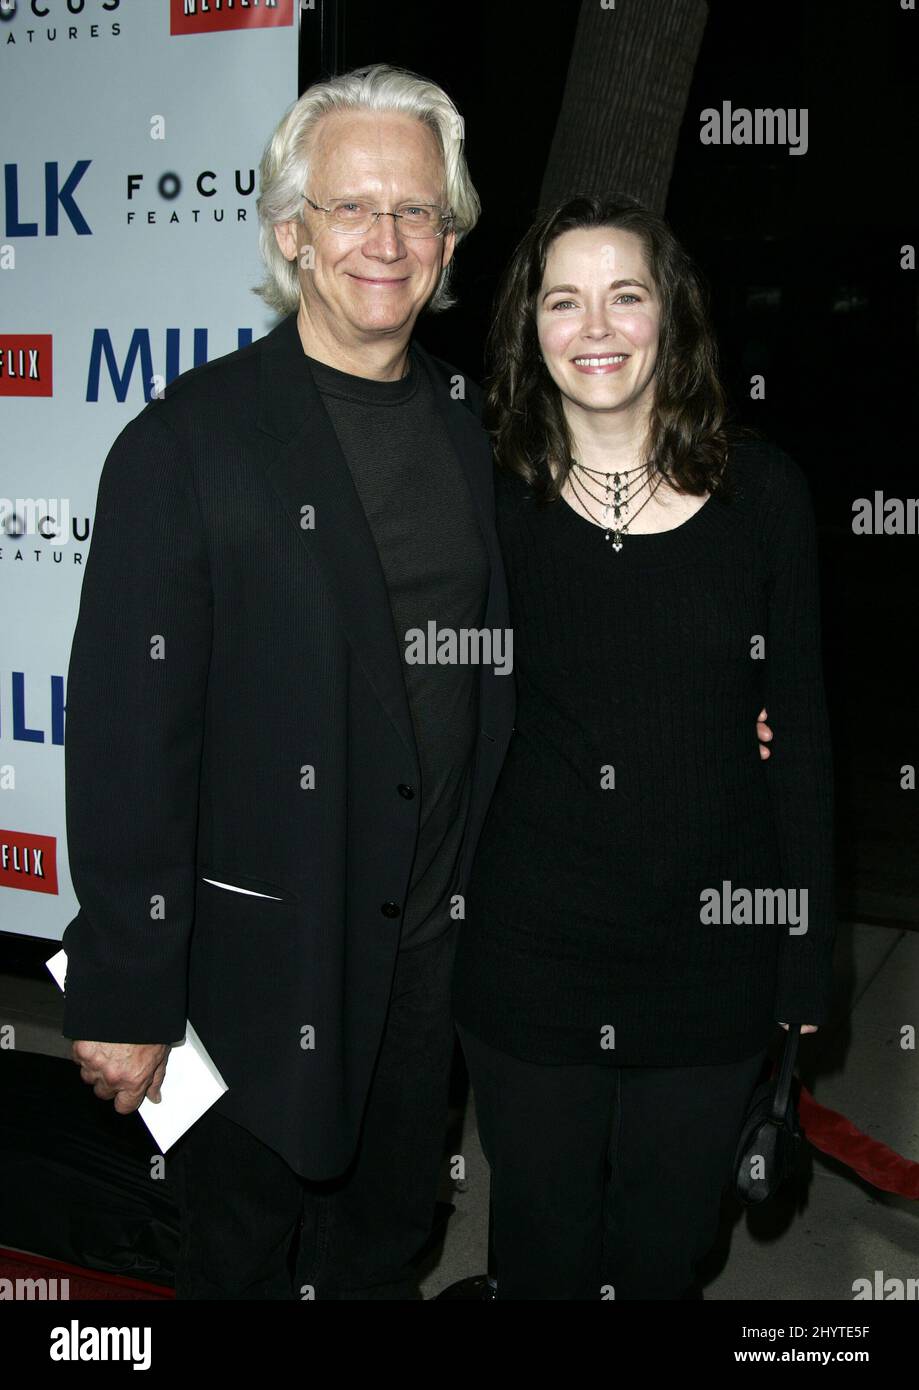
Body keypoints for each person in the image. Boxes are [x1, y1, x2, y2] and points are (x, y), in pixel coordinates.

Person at [61, 67, 773, 1300]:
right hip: (255, 968)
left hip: (436, 962)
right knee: (241, 1257)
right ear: (291, 232)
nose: (386, 242)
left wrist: (717, 707)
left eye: (417, 212)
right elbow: (129, 738)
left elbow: (568, 616)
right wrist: (125, 986)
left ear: (449, 238)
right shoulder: (187, 445)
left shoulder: (476, 423)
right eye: (351, 209)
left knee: (385, 1249)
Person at [451, 193, 834, 1300]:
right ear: (531, 329)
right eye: (563, 301)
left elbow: (800, 736)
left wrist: (805, 952)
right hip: (531, 958)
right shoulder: (490, 498)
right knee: (540, 1255)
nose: (597, 326)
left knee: (666, 1257)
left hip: (711, 962)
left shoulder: (765, 496)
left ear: (672, 316)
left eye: (626, 294)